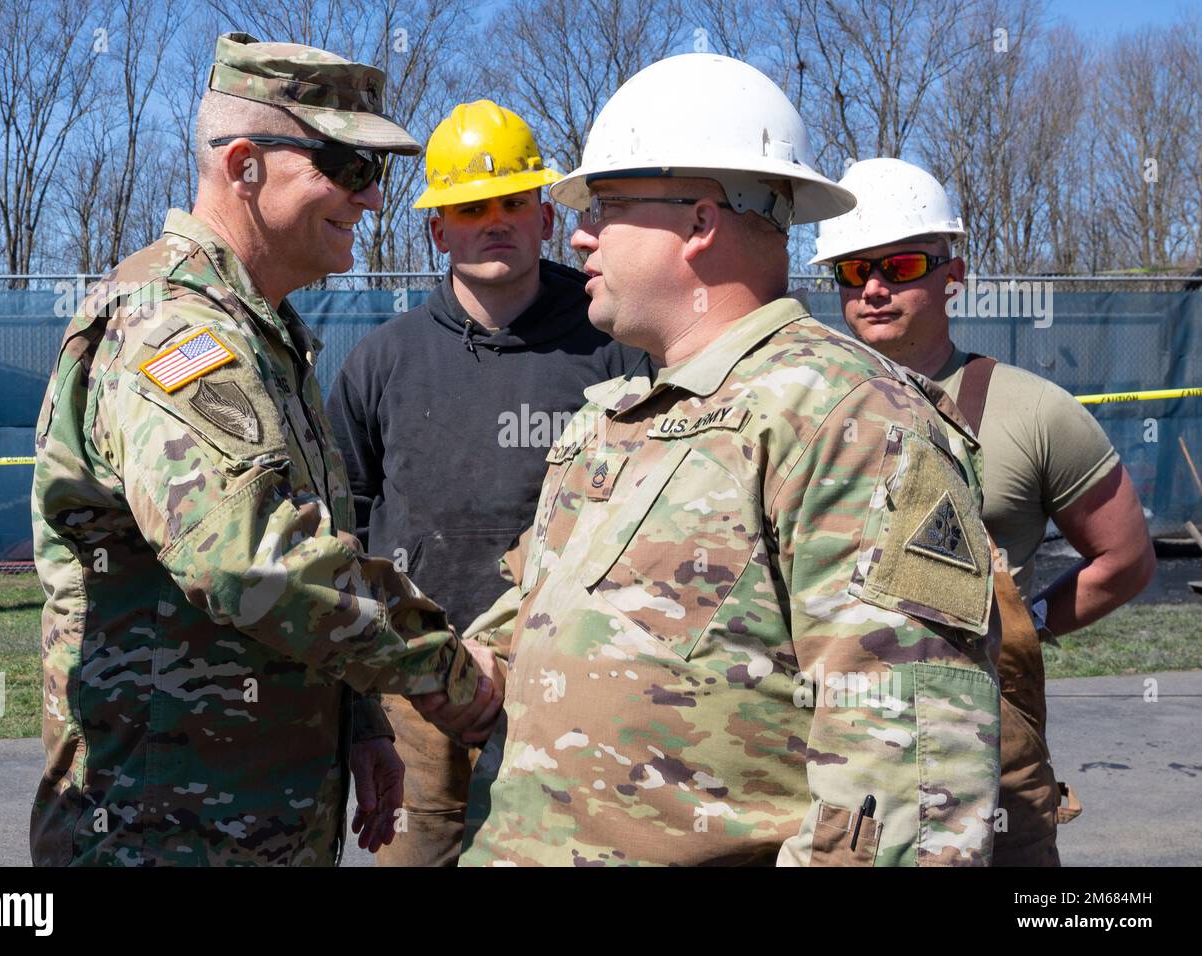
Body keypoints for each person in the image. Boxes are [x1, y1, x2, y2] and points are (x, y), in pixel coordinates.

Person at [449, 54, 1002, 867]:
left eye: (606, 207)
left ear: (700, 222)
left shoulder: (851, 421)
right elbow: (532, 647)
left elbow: (912, 790)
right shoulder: (616, 420)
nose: (578, 234)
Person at [30, 32, 501, 867]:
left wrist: (359, 717)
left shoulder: (264, 334)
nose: (371, 199)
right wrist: (450, 674)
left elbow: (311, 545)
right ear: (244, 164)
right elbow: (253, 562)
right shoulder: (170, 325)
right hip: (162, 834)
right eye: (347, 168)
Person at [326, 100, 645, 866]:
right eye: (472, 207)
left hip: (567, 691)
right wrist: (368, 698)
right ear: (438, 229)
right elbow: (345, 525)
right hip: (417, 694)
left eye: (514, 202)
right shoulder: (381, 361)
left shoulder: (613, 343)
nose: (495, 221)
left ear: (544, 217)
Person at [811, 157, 1156, 866]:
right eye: (852, 271)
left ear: (952, 276)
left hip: (986, 771)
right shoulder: (805, 406)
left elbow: (1125, 558)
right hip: (831, 754)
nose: (875, 287)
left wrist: (1023, 634)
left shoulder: (1032, 411)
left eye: (902, 264)